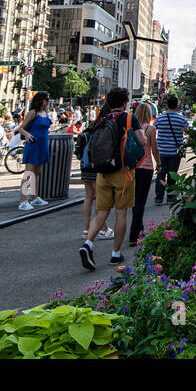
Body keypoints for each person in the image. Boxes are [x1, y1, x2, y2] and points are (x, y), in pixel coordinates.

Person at [79, 87, 144, 270]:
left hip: (103, 173)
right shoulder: (129, 118)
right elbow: (142, 141)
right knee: (121, 213)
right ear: (124, 103)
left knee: (101, 213)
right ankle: (115, 253)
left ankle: (88, 244)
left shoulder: (102, 119)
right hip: (123, 172)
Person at [75, 115, 115, 241]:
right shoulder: (99, 134)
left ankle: (87, 229)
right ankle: (103, 229)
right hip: (95, 167)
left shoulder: (86, 134)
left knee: (88, 197)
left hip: (84, 167)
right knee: (99, 198)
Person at [128, 101, 161, 247]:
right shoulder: (150, 129)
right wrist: (159, 164)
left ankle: (139, 228)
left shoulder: (131, 129)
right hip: (146, 168)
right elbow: (154, 150)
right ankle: (134, 235)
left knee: (135, 201)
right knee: (141, 202)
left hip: (133, 168)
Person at [17, 92, 52, 211]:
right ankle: (23, 200)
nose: (48, 102)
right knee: (29, 173)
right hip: (33, 144)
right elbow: (20, 128)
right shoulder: (33, 113)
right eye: (46, 99)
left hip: (42, 145)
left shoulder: (45, 113)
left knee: (37, 173)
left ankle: (34, 196)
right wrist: (27, 134)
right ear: (41, 100)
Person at [153, 94, 190, 206]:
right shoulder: (182, 119)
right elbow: (189, 132)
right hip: (175, 152)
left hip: (161, 151)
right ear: (177, 105)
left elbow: (153, 129)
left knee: (160, 174)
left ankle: (159, 198)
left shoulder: (160, 118)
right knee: (172, 175)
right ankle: (171, 196)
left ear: (167, 105)